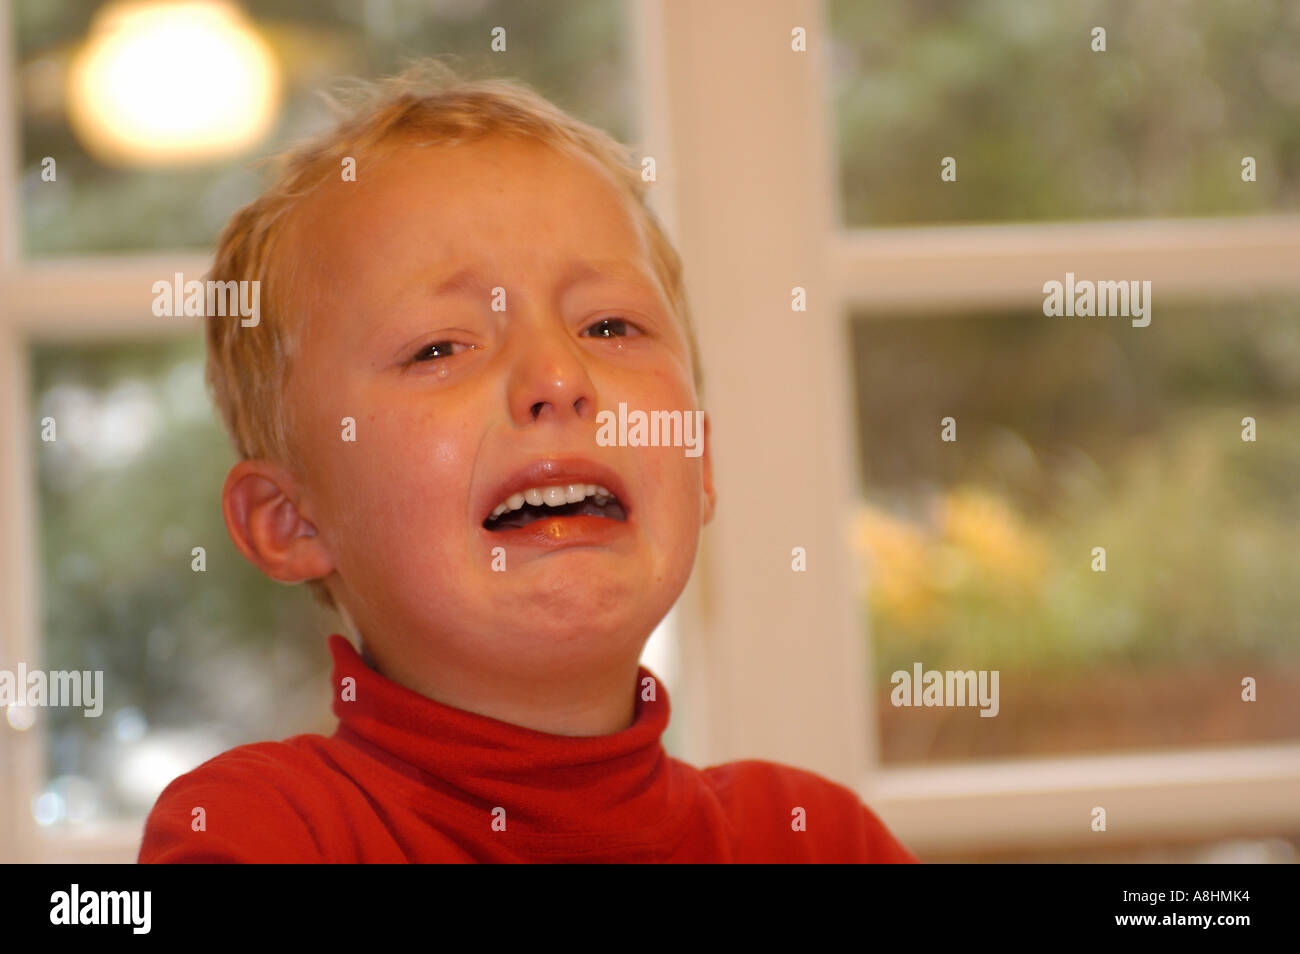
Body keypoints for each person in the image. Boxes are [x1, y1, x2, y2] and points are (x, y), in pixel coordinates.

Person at [138, 62, 916, 863]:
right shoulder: (262, 830)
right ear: (290, 519)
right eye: (439, 346)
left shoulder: (814, 839)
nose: (558, 379)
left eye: (610, 326)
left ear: (701, 458)